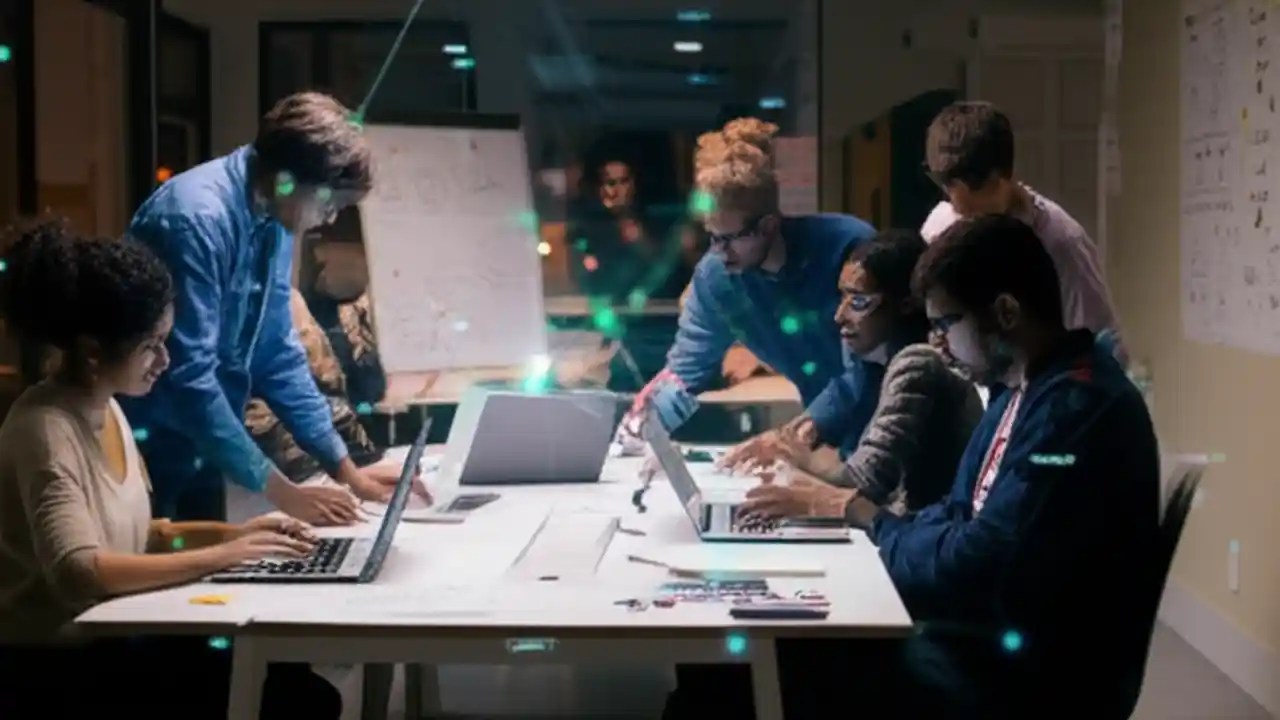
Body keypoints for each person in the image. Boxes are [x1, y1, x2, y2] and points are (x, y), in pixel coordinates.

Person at [0, 221, 341, 718]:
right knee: (294, 699)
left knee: (292, 680)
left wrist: (238, 536)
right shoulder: (46, 431)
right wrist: (226, 556)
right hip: (55, 674)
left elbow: (147, 536)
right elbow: (79, 572)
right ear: (94, 354)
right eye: (151, 345)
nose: (165, 359)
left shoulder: (106, 407)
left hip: (108, 643)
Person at [830, 215, 1159, 717]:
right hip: (999, 637)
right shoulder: (1022, 389)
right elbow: (960, 510)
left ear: (1005, 311)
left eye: (946, 323)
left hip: (1036, 677)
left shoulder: (1075, 410)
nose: (937, 342)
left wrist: (875, 522)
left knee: (812, 662)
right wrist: (879, 527)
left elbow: (980, 561)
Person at [120, 91, 417, 525]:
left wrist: (347, 470)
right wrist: (285, 493)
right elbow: (190, 378)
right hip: (150, 448)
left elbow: (276, 351)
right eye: (329, 204)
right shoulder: (195, 220)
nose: (330, 219)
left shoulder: (273, 216)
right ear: (285, 179)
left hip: (205, 447)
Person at [617, 117, 878, 460]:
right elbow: (684, 373)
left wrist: (789, 437)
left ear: (769, 225)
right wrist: (639, 430)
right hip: (829, 438)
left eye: (729, 239)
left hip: (890, 429)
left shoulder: (846, 247)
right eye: (712, 237)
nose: (719, 253)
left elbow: (865, 370)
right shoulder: (717, 279)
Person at [730, 229, 983, 517]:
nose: (840, 316)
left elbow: (864, 484)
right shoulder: (880, 360)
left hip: (921, 538)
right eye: (843, 298)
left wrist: (797, 455)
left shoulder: (918, 364)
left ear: (906, 304)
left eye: (859, 301)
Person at [919, 100, 1127, 365]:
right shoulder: (939, 228)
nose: (966, 222)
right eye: (953, 200)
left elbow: (1103, 344)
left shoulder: (1061, 242)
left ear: (1002, 176)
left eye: (977, 213)